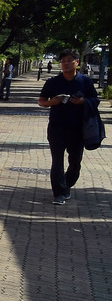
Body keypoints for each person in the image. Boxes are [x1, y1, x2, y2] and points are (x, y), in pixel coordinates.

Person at [38, 49, 98, 205]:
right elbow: (41, 101)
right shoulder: (52, 82)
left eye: (69, 61)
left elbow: (95, 100)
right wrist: (53, 102)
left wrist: (82, 102)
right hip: (57, 127)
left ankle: (66, 184)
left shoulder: (85, 82)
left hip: (78, 129)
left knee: (75, 163)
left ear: (76, 62)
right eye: (63, 61)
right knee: (57, 161)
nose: (65, 64)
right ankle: (59, 193)